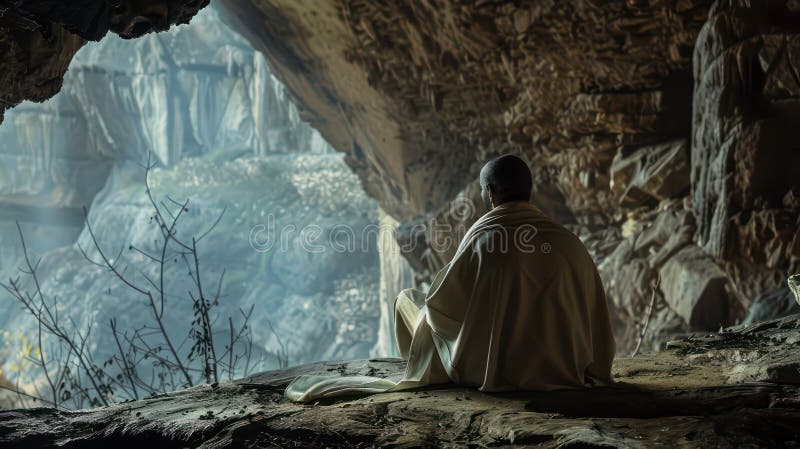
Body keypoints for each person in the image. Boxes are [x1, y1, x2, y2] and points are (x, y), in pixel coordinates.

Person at [286, 155, 615, 402]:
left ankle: (423, 373)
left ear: (490, 193)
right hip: (564, 369)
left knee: (407, 299)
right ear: (528, 190)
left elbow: (441, 309)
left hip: (491, 371)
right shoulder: (569, 243)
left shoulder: (484, 239)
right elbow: (596, 316)